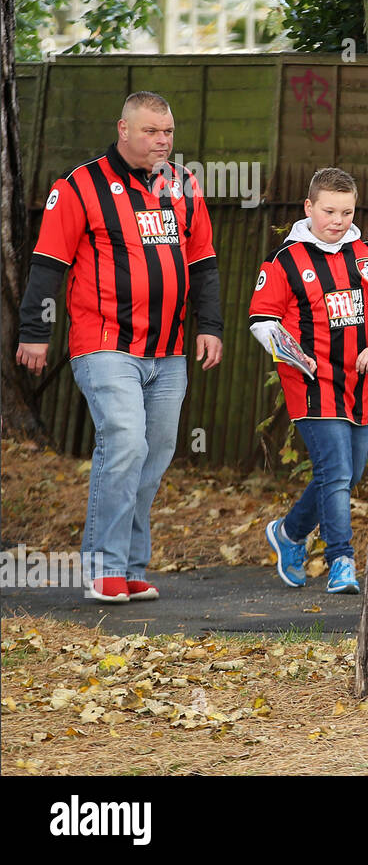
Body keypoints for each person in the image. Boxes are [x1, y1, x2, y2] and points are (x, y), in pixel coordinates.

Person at [15, 91, 224, 603]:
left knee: (154, 455)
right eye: (152, 131)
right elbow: (48, 264)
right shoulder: (78, 186)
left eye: (168, 131)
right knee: (125, 441)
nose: (162, 141)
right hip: (105, 343)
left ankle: (130, 567)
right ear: (124, 130)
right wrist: (35, 333)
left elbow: (203, 262)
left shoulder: (184, 184)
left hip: (170, 349)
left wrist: (210, 325)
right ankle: (102, 568)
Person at [249, 167, 368, 595]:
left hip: (360, 384)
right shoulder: (284, 260)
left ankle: (289, 533)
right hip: (312, 384)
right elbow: (262, 322)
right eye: (329, 211)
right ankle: (340, 560)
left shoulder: (367, 254)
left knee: (346, 470)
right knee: (337, 472)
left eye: (347, 211)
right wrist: (293, 352)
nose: (338, 220)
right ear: (308, 208)